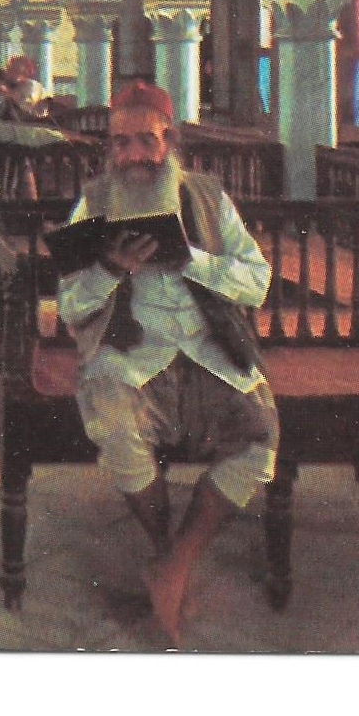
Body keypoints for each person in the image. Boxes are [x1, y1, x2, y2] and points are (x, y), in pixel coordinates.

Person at [51, 78, 276, 647]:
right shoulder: (95, 203)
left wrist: (192, 261)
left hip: (208, 350)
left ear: (169, 141)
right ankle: (164, 553)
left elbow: (257, 281)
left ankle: (176, 563)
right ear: (110, 147)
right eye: (121, 143)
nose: (134, 156)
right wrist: (111, 270)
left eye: (146, 141)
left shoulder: (206, 196)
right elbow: (71, 305)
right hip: (133, 356)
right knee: (115, 425)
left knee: (259, 436)